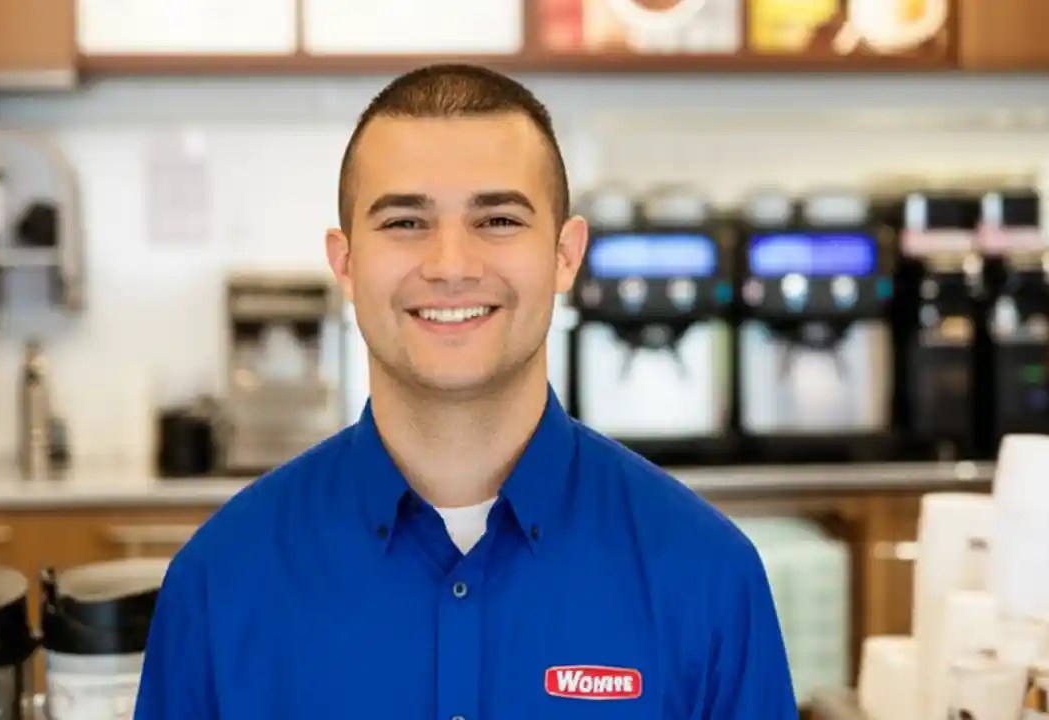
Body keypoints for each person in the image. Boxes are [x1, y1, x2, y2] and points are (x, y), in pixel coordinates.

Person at [134, 63, 798, 719]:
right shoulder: (220, 582)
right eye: (404, 223)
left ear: (566, 255)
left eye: (499, 220)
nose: (451, 265)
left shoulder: (708, 577)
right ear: (346, 262)